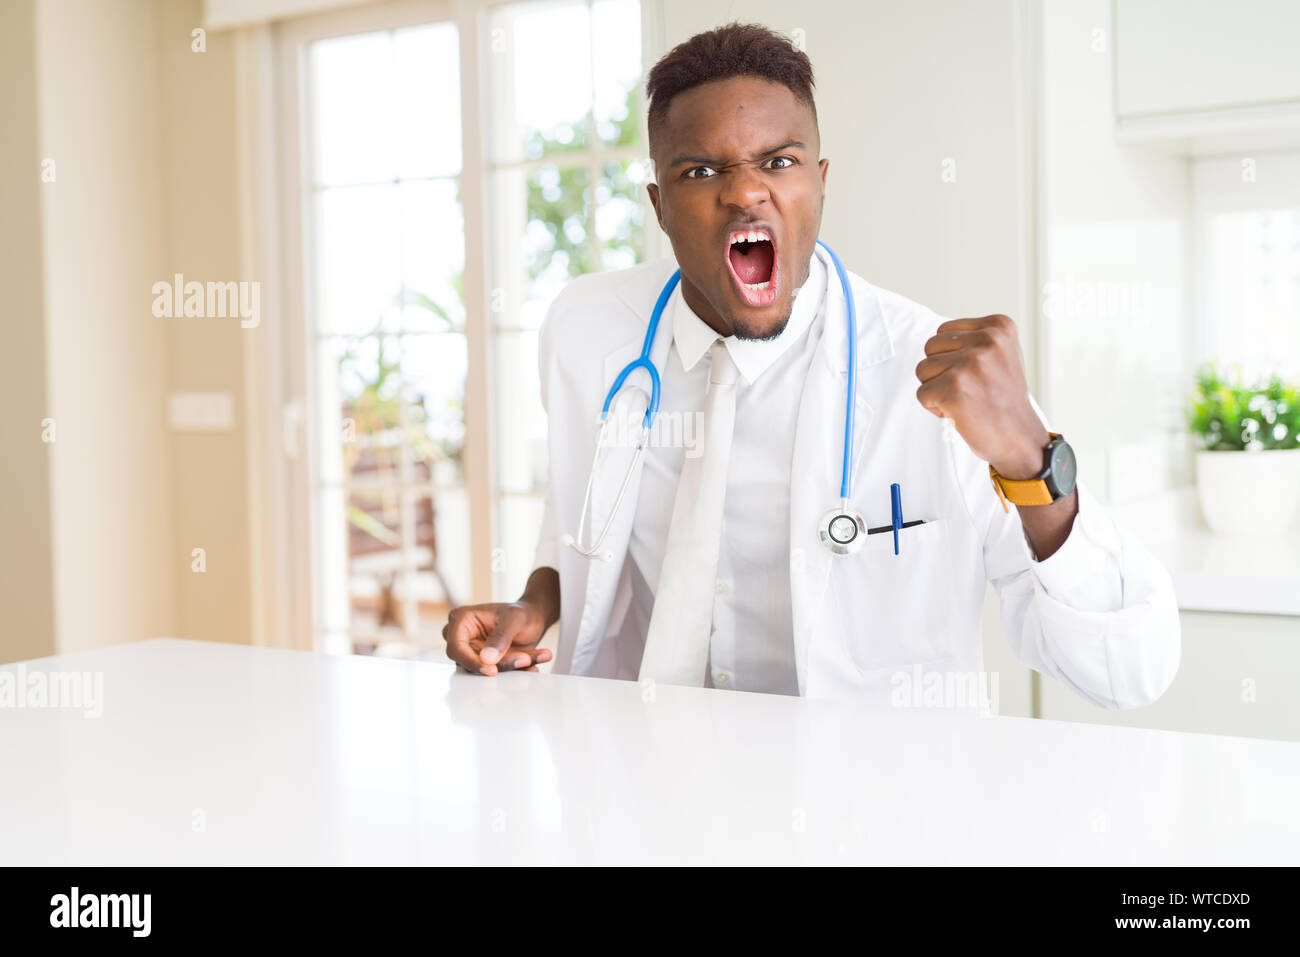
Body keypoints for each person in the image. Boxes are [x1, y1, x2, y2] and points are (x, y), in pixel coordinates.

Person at [442, 22, 1180, 706]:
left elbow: (1132, 667)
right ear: (658, 204)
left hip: (871, 812)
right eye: (700, 171)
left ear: (820, 181)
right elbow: (581, 515)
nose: (745, 192)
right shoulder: (588, 331)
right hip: (648, 782)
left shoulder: (933, 372)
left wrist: (1032, 458)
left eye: (779, 161)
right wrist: (540, 601)